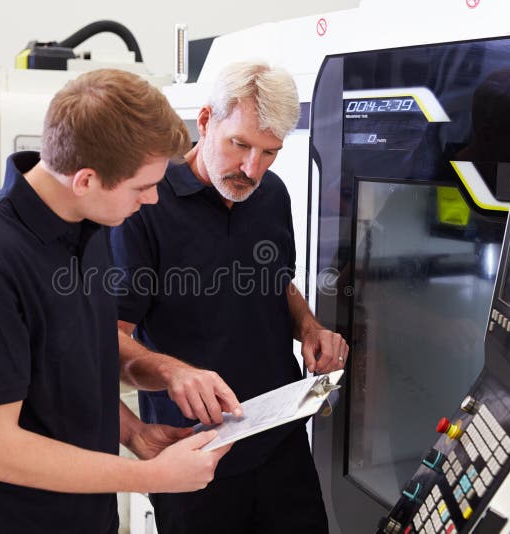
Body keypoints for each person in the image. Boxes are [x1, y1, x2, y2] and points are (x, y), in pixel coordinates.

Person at [0, 69, 231, 534]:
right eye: (142, 187)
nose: (152, 200)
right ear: (86, 179)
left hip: (89, 514)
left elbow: (71, 364)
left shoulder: (89, 226)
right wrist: (149, 477)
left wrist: (134, 432)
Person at [110, 61, 350, 533]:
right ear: (204, 121)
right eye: (239, 144)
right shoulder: (147, 206)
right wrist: (174, 373)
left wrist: (309, 327)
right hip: (195, 452)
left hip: (280, 442)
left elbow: (276, 280)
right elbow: (107, 336)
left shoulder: (272, 195)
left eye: (269, 152)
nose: (251, 168)